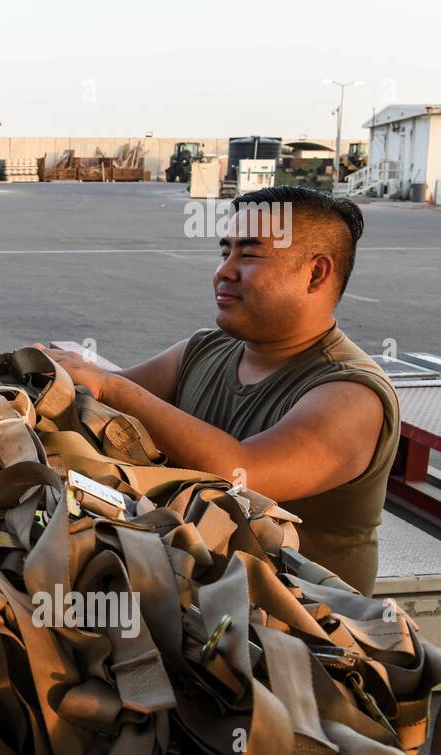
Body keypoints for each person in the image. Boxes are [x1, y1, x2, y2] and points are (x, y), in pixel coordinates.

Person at [44, 186, 398, 595]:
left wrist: (109, 385)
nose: (224, 271)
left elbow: (243, 473)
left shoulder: (352, 393)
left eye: (248, 255)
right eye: (224, 252)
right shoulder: (205, 349)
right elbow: (103, 401)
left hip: (298, 636)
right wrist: (57, 378)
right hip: (194, 599)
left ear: (316, 273)